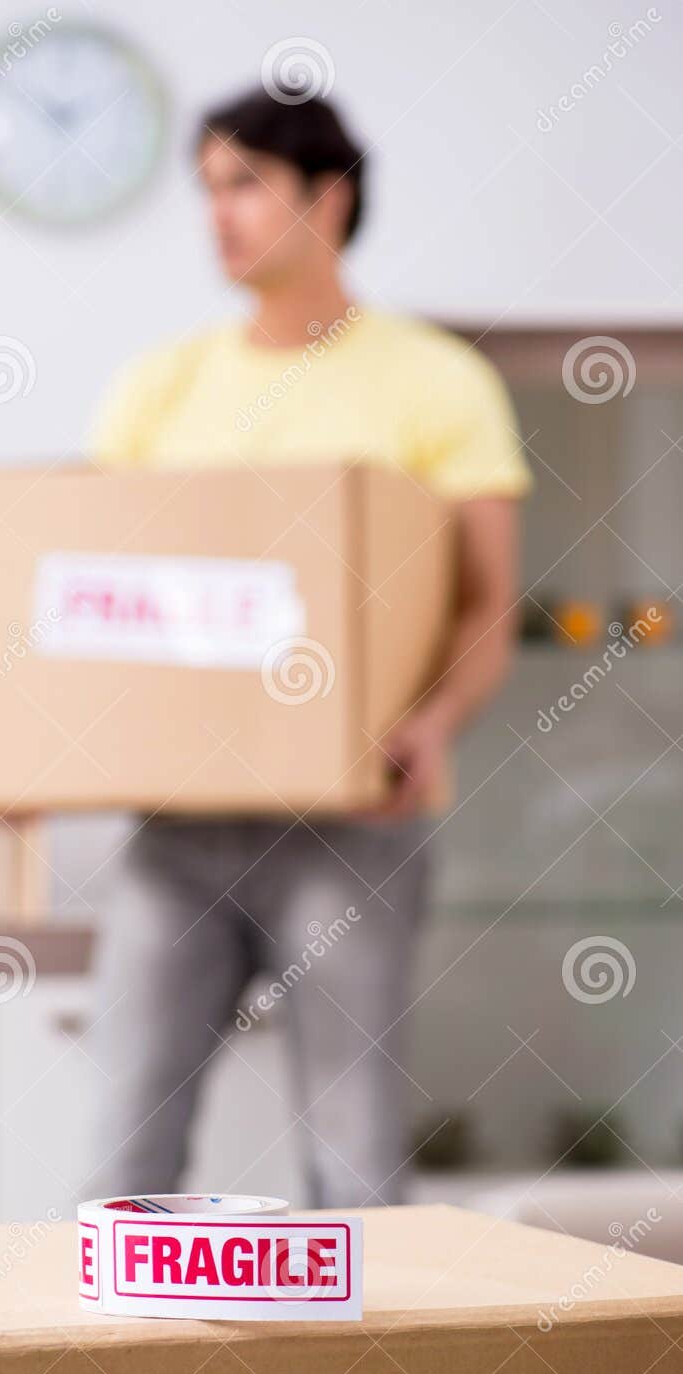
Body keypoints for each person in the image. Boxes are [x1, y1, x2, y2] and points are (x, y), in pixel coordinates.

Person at [80, 85, 531, 1209]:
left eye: (245, 184)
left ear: (327, 198)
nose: (217, 216)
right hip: (172, 832)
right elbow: (91, 608)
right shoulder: (157, 389)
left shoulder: (437, 384)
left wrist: (430, 727)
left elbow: (486, 606)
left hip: (352, 825)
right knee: (117, 1162)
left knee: (357, 1165)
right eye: (207, 190)